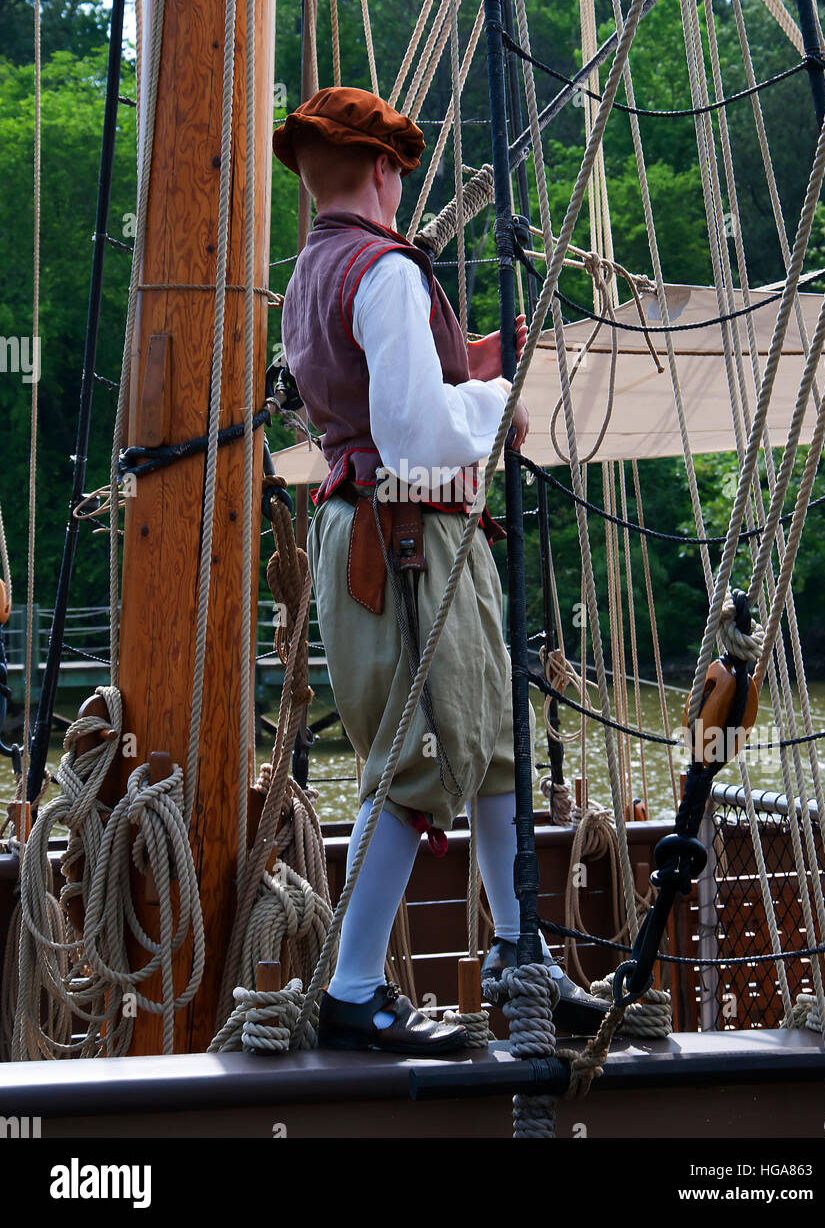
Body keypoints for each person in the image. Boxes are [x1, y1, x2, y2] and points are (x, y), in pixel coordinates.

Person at [274, 86, 607, 1054]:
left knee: (492, 747)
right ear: (385, 168)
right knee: (417, 758)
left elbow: (385, 401)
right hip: (408, 533)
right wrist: (497, 399)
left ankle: (517, 951)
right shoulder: (383, 271)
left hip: (396, 532)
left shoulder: (313, 269)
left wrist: (466, 376)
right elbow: (415, 431)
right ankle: (349, 988)